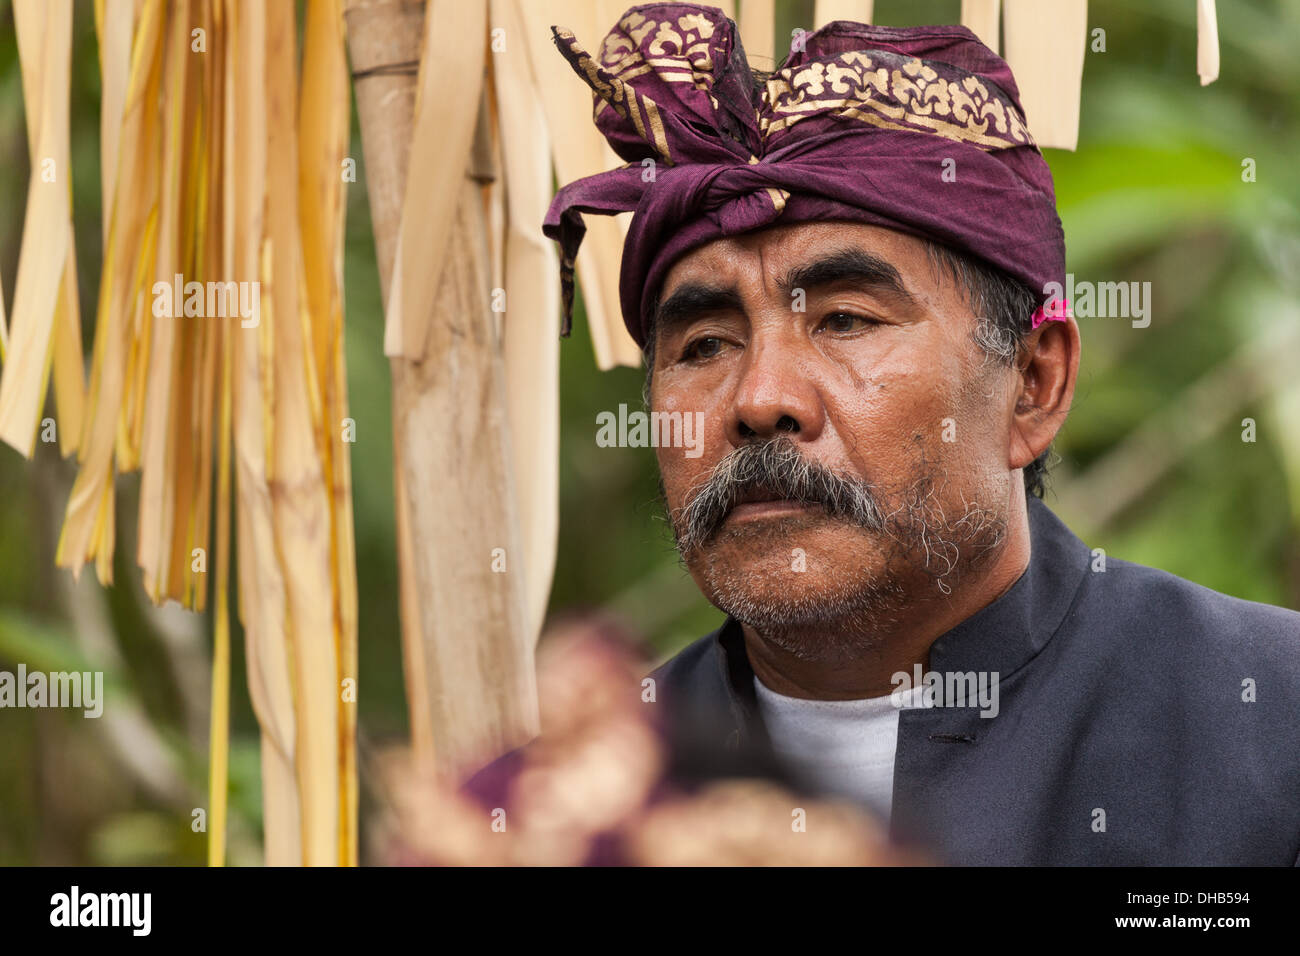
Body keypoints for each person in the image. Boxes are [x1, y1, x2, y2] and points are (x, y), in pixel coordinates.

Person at [468, 3, 1300, 865]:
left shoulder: (1269, 726)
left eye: (846, 320)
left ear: (1033, 384)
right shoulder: (560, 816)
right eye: (705, 343)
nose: (759, 399)